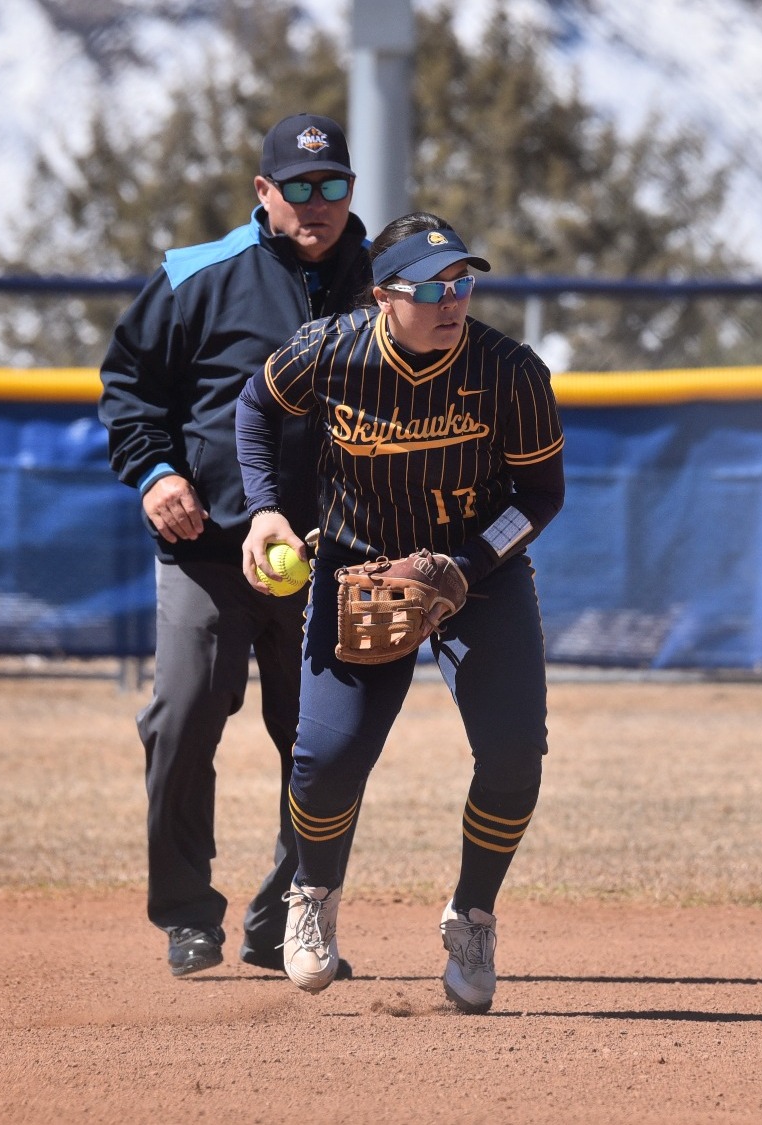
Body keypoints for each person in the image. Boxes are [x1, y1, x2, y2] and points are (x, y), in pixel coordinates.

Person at [235, 212, 566, 1014]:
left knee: (515, 755)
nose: (451, 301)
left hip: (478, 576)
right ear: (384, 295)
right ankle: (314, 893)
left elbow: (539, 495)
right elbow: (255, 406)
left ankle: (473, 916)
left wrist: (464, 567)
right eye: (429, 288)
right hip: (360, 569)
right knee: (324, 758)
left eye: (462, 283)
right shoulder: (329, 351)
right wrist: (265, 509)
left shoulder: (509, 371)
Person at [97, 113, 373, 978]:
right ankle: (186, 912)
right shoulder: (197, 276)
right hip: (210, 545)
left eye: (333, 186)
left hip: (336, 559)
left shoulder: (387, 284)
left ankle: (287, 919)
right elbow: (129, 386)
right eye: (299, 187)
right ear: (264, 191)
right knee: (181, 717)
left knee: (330, 745)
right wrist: (155, 473)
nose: (317, 202)